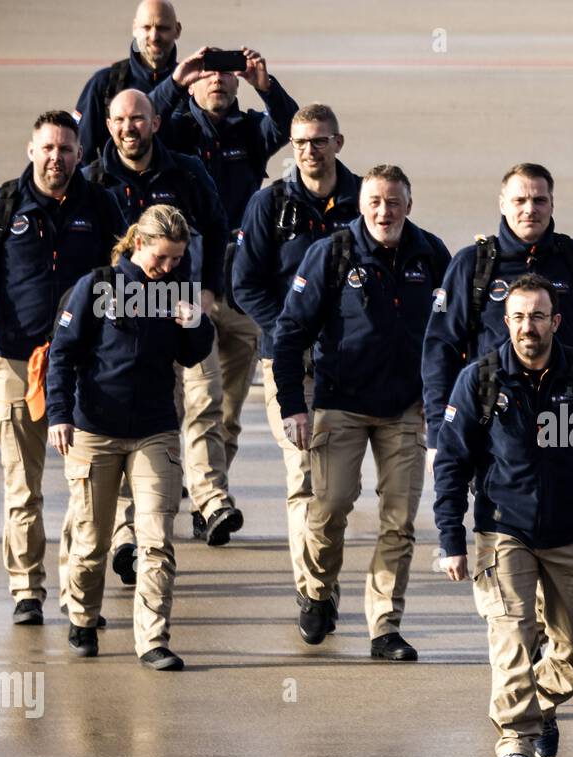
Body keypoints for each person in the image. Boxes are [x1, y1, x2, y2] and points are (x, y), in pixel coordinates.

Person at [435, 274, 573, 757]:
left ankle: (539, 703)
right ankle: (515, 739)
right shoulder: (480, 379)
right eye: (517, 316)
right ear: (506, 321)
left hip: (570, 530)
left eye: (537, 316)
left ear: (555, 322)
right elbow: (451, 461)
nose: (527, 326)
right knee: (513, 635)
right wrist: (451, 537)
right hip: (503, 529)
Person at [0, 110, 125, 625]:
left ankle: (76, 585)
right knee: (23, 486)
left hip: (83, 364)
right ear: (31, 151)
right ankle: (27, 588)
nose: (57, 158)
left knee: (84, 485)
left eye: (67, 149)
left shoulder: (100, 204)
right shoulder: (0, 207)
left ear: (79, 154)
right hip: (15, 365)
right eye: (48, 148)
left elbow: (126, 274)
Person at [273, 165, 449, 657]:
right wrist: (294, 406)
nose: (384, 211)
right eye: (374, 201)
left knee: (399, 522)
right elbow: (290, 334)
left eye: (394, 201)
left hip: (406, 410)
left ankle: (384, 626)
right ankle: (316, 590)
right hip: (341, 403)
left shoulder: (431, 254)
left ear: (408, 205)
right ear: (360, 204)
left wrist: (443, 409)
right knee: (328, 510)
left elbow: (457, 335)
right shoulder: (331, 253)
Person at [75, 88, 235, 585]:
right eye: (121, 119)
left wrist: (209, 292)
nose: (130, 128)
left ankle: (209, 499)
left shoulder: (185, 171)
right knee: (132, 418)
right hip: (121, 316)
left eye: (139, 119)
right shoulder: (94, 180)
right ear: (109, 124)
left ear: (155, 123)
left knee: (206, 399)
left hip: (182, 305)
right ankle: (126, 535)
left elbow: (217, 224)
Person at [47, 204, 212, 670]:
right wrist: (59, 414)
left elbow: (194, 353)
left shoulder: (175, 291)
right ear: (138, 243)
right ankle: (82, 617)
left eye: (177, 260)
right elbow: (62, 355)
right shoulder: (97, 287)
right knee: (92, 537)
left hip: (154, 431)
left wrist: (196, 321)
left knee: (157, 539)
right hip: (94, 430)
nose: (168, 268)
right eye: (162, 258)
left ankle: (153, 640)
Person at [162, 47, 299, 530]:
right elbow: (134, 129)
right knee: (193, 401)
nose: (217, 80)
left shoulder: (250, 133)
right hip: (184, 291)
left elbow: (292, 126)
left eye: (226, 73)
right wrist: (175, 82)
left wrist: (266, 83)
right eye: (208, 73)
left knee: (227, 412)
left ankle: (206, 499)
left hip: (240, 292)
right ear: (195, 84)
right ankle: (207, 496)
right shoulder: (175, 130)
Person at [232, 103, 360, 598]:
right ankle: (313, 592)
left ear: (338, 144)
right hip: (290, 364)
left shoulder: (363, 202)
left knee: (339, 490)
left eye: (320, 141)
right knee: (303, 475)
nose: (309, 150)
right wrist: (289, 334)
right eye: (301, 142)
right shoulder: (269, 205)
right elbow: (245, 285)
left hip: (351, 364)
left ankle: (322, 571)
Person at [421, 162, 573, 451]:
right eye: (519, 200)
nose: (530, 209)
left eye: (539, 200)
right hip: (493, 417)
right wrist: (438, 433)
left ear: (552, 205)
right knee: (495, 494)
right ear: (503, 205)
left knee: (568, 494)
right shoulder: (473, 265)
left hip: (563, 418)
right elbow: (440, 349)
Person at [72, 0, 191, 164]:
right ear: (135, 28)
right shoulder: (105, 85)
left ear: (177, 30)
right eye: (146, 27)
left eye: (163, 28)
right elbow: (78, 151)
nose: (154, 36)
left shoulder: (192, 86)